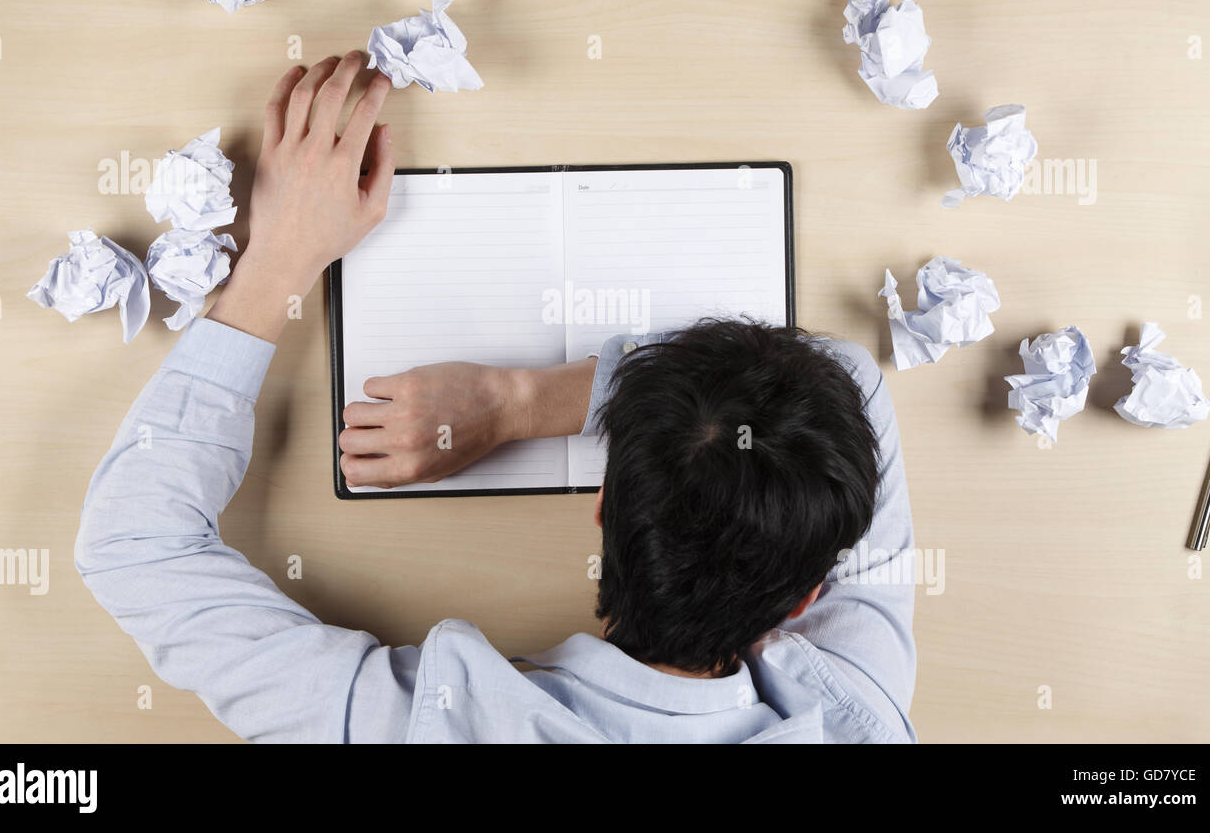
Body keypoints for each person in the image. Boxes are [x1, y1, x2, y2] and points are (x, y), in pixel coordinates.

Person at [76, 53, 917, 743]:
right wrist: (513, 404)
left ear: (603, 507)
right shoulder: (855, 715)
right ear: (808, 598)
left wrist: (279, 262)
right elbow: (850, 387)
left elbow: (134, 544)